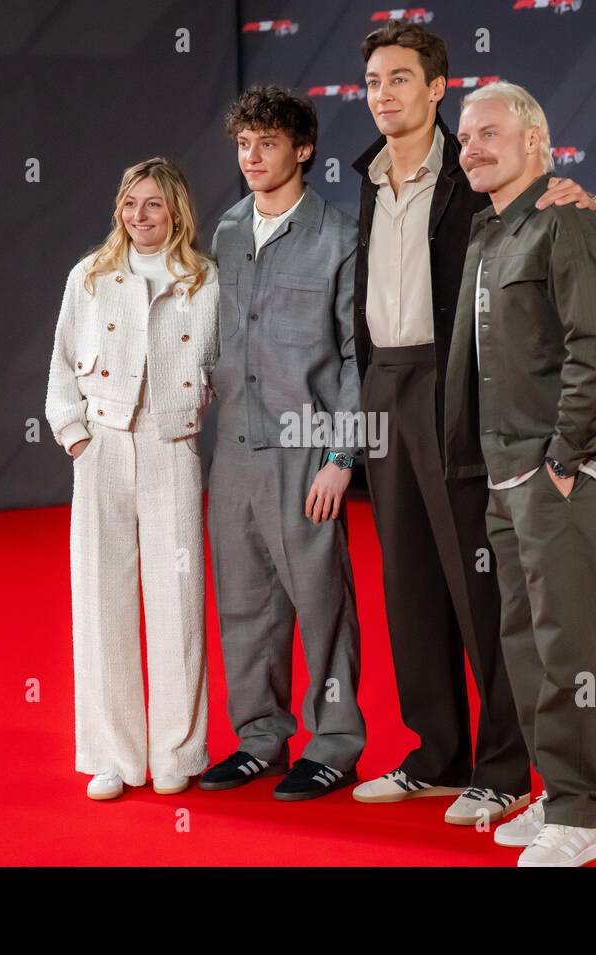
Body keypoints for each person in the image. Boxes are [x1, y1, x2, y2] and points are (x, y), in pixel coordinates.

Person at [348, 19, 596, 829]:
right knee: (408, 580)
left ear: (435, 90)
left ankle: (501, 766)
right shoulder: (365, 178)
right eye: (373, 82)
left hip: (457, 389)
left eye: (399, 80)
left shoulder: (471, 173)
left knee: (478, 578)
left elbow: (537, 211)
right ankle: (437, 755)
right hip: (384, 386)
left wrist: (575, 190)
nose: (383, 95)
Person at [447, 81, 596, 866]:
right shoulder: (494, 231)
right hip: (506, 469)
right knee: (524, 640)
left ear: (535, 138)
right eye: (464, 138)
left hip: (559, 467)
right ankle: (554, 792)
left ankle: (583, 812)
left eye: (489, 133)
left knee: (568, 642)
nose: (472, 149)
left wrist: (566, 457)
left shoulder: (566, 221)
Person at [197, 86, 367, 802]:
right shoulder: (228, 232)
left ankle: (335, 745)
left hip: (308, 449)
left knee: (321, 604)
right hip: (232, 448)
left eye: (268, 143)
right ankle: (260, 738)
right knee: (243, 606)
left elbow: (361, 358)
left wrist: (339, 459)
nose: (253, 157)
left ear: (302, 150)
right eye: (243, 144)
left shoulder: (340, 237)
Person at [44, 158, 219, 801]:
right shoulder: (89, 277)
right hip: (104, 446)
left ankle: (178, 750)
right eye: (129, 205)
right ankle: (112, 754)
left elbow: (223, 361)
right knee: (100, 596)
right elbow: (62, 361)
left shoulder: (203, 280)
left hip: (172, 447)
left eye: (152, 205)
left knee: (178, 602)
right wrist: (75, 433)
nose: (139, 217)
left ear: (176, 212)